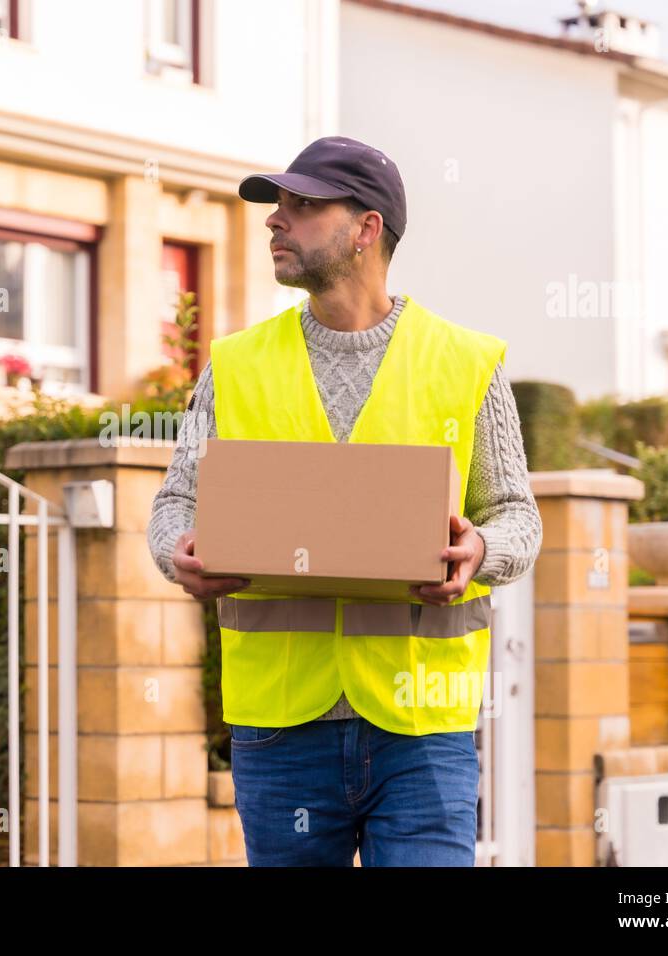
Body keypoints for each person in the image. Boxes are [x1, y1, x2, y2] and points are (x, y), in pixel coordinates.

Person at [146, 136, 542, 866]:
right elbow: (175, 503)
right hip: (280, 728)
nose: (275, 220)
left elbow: (519, 516)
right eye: (277, 206)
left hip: (422, 729)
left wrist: (481, 550)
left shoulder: (466, 362)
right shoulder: (234, 365)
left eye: (302, 205)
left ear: (366, 230)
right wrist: (178, 552)